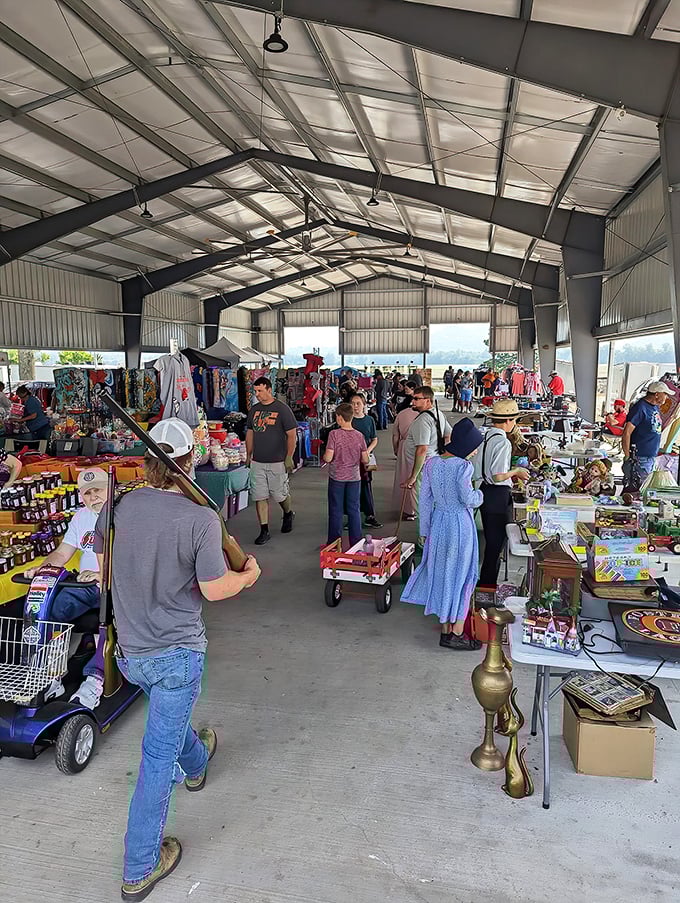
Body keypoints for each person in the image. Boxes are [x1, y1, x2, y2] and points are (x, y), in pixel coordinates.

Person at [94, 418, 261, 901]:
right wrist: (248, 575)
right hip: (175, 655)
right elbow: (216, 589)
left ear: (148, 463)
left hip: (130, 652)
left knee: (171, 725)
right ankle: (140, 865)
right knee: (154, 757)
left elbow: (106, 572)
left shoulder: (119, 505)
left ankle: (197, 761)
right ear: (189, 461)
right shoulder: (200, 519)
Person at [24, 468, 113, 708]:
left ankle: (95, 679)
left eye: (99, 490)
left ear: (111, 489)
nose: (94, 497)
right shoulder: (81, 517)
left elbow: (136, 559)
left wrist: (101, 574)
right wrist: (43, 569)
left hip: (116, 585)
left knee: (105, 622)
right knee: (51, 611)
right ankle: (51, 675)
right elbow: (63, 552)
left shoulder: (125, 515)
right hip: (84, 585)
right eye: (87, 493)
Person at [402, 418, 484, 651]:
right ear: (466, 446)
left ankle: (446, 629)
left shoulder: (432, 464)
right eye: (474, 446)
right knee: (463, 575)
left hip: (438, 523)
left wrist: (424, 531)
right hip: (459, 524)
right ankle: (457, 632)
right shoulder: (463, 467)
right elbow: (468, 498)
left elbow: (425, 501)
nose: (476, 450)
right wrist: (480, 495)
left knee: (444, 573)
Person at [475, 399, 529, 588]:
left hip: (484, 491)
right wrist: (516, 471)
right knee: (495, 545)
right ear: (508, 421)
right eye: (514, 420)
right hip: (497, 495)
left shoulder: (485, 437)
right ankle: (487, 586)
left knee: (491, 541)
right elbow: (498, 476)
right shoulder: (502, 442)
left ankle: (485, 584)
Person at [245, 376, 298, 546]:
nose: (257, 394)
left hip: (277, 461)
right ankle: (264, 530)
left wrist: (289, 456)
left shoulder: (282, 410)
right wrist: (248, 455)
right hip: (257, 462)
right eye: (255, 391)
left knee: (279, 494)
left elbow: (292, 435)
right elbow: (250, 433)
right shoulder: (254, 410)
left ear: (269, 389)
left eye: (260, 391)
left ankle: (288, 512)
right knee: (259, 496)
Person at [403, 386, 452, 543]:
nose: (413, 401)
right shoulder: (439, 414)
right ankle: (435, 538)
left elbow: (422, 449)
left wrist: (413, 476)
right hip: (436, 464)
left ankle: (426, 542)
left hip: (424, 468)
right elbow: (448, 434)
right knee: (433, 503)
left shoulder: (423, 420)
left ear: (428, 400)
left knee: (422, 506)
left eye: (417, 399)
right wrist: (441, 453)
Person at [323, 402, 369, 547]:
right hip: (354, 478)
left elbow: (328, 458)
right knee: (353, 510)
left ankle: (334, 544)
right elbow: (365, 458)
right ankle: (356, 544)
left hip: (337, 477)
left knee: (336, 510)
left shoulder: (334, 434)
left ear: (339, 418)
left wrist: (324, 456)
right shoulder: (359, 436)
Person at [622, 381, 674, 487]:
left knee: (645, 487)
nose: (666, 397)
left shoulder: (654, 407)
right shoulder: (640, 408)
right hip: (641, 457)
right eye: (665, 394)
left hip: (650, 456)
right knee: (641, 488)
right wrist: (627, 456)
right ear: (657, 394)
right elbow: (627, 432)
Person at [350, 393, 382, 529]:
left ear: (364, 405)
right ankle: (352, 516)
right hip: (351, 459)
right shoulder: (348, 420)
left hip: (366, 459)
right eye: (353, 403)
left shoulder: (369, 420)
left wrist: (367, 451)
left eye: (358, 403)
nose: (355, 406)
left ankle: (370, 515)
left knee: (366, 486)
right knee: (352, 487)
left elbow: (374, 439)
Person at [392, 398, 419, 521]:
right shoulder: (427, 415)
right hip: (421, 446)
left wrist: (396, 449)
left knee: (404, 476)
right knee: (418, 477)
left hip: (404, 445)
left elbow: (395, 435)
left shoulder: (401, 414)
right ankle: (418, 508)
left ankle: (407, 509)